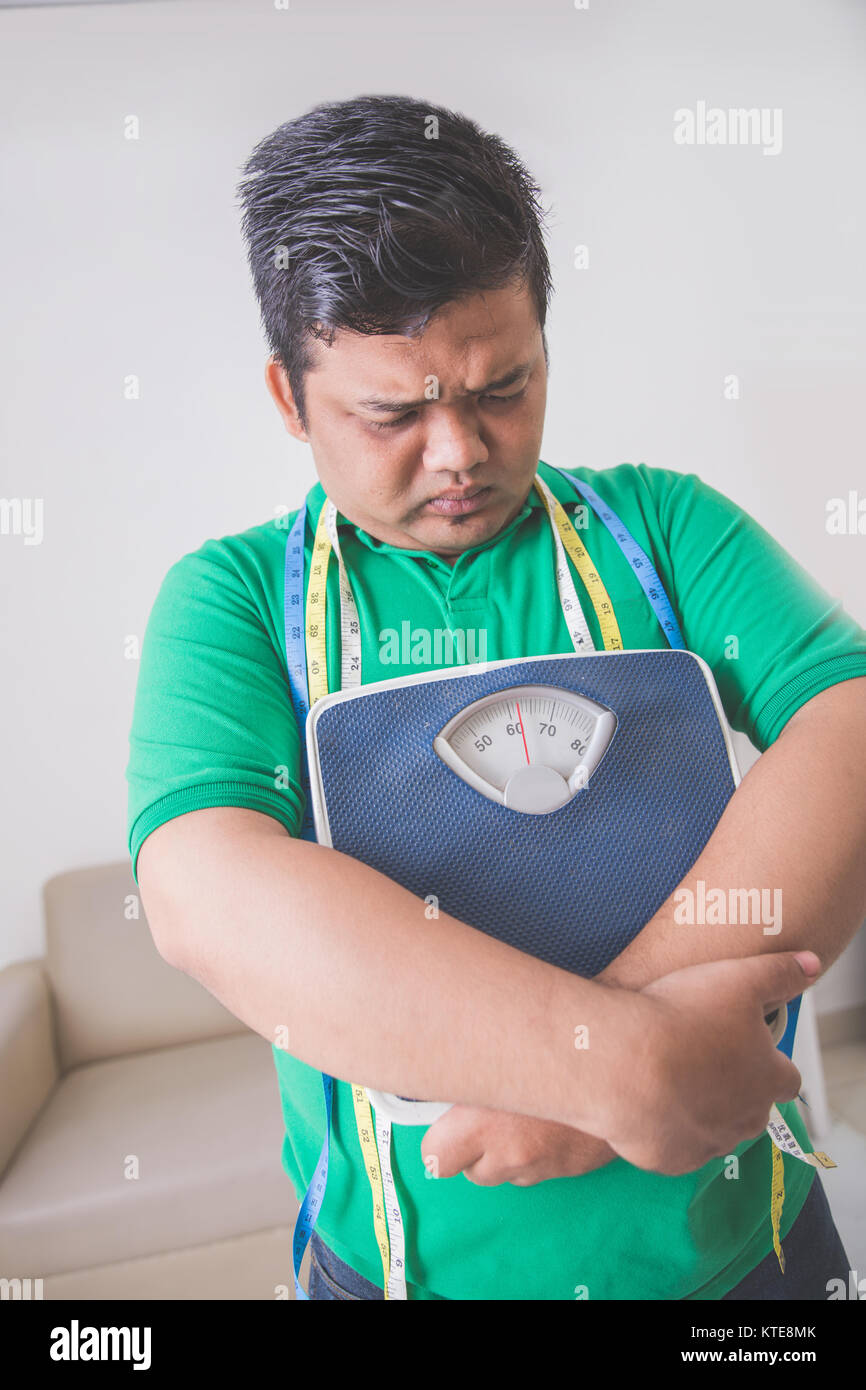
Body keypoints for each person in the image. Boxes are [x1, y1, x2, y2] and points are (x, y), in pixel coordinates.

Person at [126, 94, 866, 1301]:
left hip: (750, 1260)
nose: (460, 448)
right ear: (287, 398)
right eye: (394, 412)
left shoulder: (663, 530)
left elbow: (849, 718)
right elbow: (205, 888)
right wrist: (617, 1068)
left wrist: (610, 1077)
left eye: (502, 385)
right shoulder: (232, 602)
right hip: (397, 1276)